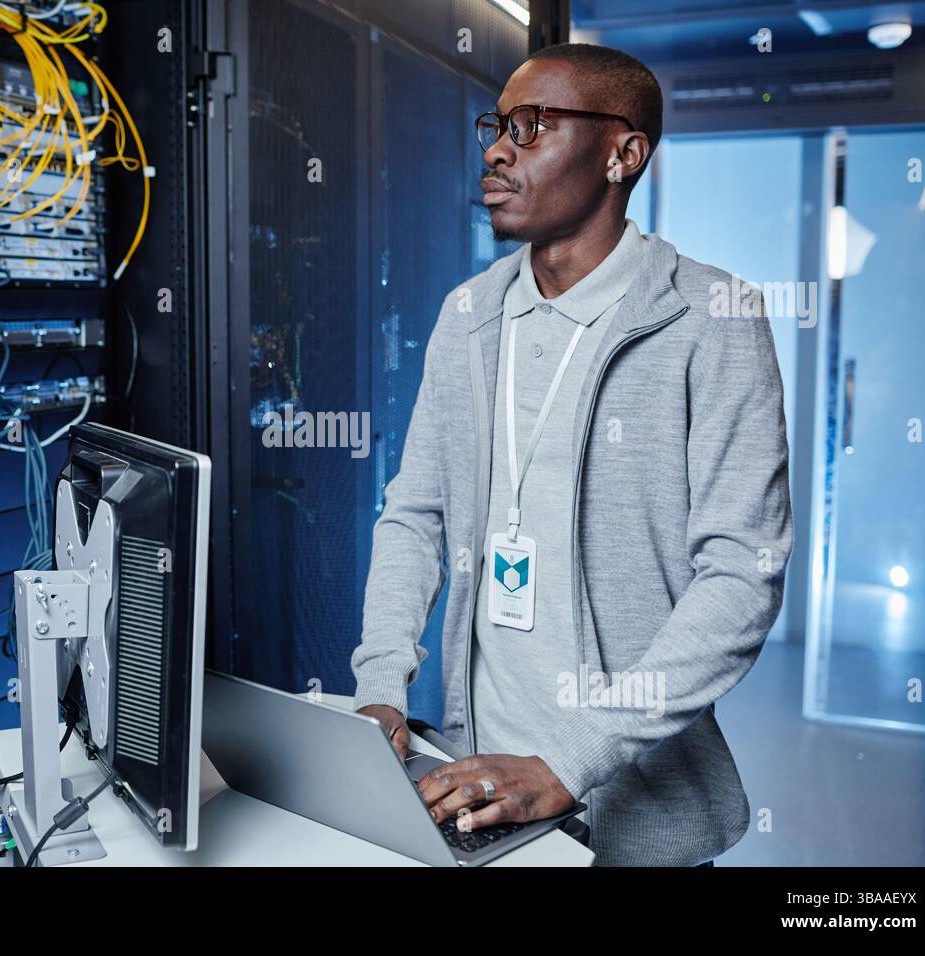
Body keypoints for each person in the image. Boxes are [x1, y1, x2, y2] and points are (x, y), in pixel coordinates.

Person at [350, 43, 792, 867]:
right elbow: (415, 516)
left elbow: (740, 577)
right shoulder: (470, 314)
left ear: (624, 153)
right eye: (497, 126)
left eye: (533, 126)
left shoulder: (713, 318)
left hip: (633, 801)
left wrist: (568, 759)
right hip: (479, 793)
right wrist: (380, 687)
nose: (496, 149)